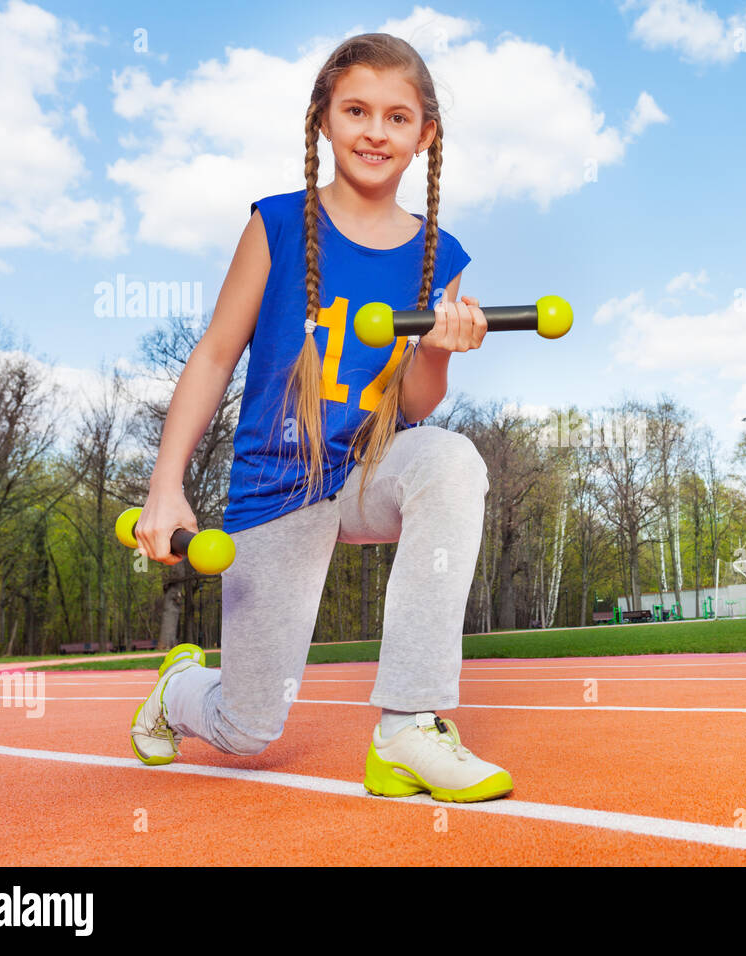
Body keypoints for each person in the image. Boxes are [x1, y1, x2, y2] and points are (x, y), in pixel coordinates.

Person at [128, 33, 512, 803]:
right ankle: (177, 689)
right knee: (246, 730)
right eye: (357, 110)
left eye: (398, 117)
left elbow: (413, 405)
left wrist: (439, 351)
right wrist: (165, 486)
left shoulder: (444, 254)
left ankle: (406, 726)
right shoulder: (274, 225)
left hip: (370, 470)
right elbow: (212, 357)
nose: (376, 131)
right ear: (324, 121)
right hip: (279, 485)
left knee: (450, 459)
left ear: (424, 136)